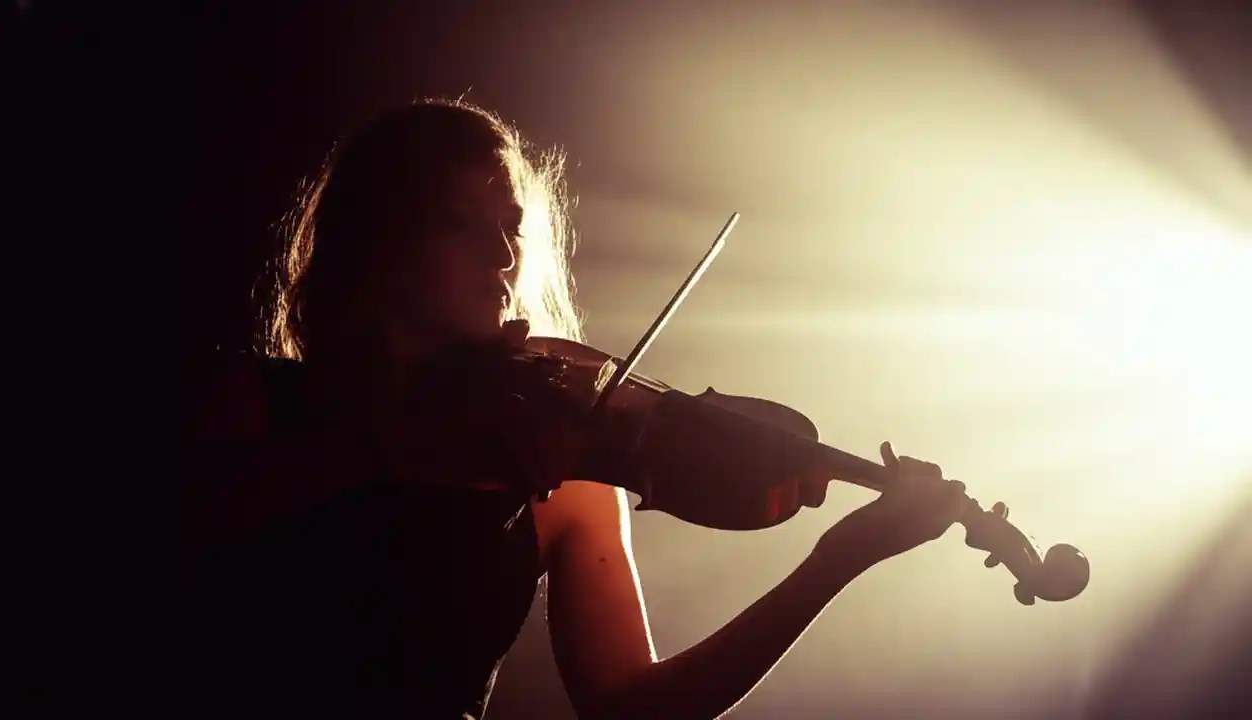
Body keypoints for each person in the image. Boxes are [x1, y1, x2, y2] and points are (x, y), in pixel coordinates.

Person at [178, 98, 970, 719]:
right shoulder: (251, 401)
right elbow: (156, 562)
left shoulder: (563, 461)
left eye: (512, 229)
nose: (502, 256)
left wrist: (837, 562)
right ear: (381, 235)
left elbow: (631, 708)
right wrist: (406, 445)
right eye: (460, 223)